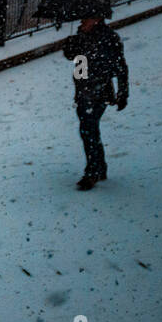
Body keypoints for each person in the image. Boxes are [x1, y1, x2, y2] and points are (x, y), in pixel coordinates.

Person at [61, 16, 128, 191]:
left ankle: (93, 172)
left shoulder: (109, 38)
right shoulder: (81, 36)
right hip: (84, 91)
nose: (81, 22)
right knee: (89, 130)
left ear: (96, 20)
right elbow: (76, 61)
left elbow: (120, 66)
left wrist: (123, 93)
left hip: (99, 91)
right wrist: (71, 44)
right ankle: (99, 167)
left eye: (85, 20)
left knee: (88, 129)